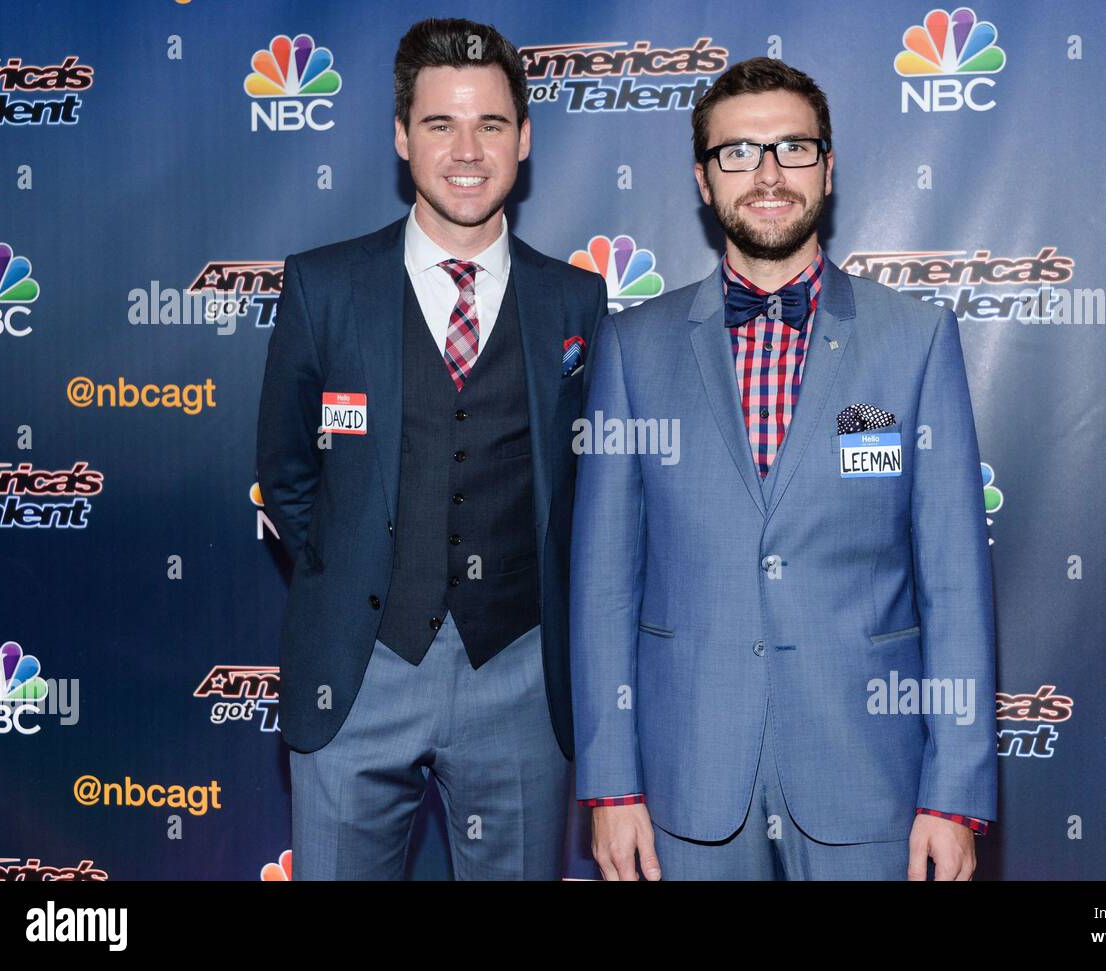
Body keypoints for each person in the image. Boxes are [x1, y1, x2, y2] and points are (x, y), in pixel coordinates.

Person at [570, 57, 996, 880]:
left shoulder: (916, 340)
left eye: (792, 148)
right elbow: (603, 586)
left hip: (868, 776)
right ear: (703, 180)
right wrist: (611, 785)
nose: (767, 174)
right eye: (739, 153)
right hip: (683, 782)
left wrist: (952, 794)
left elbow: (954, 584)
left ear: (828, 168)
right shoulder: (633, 348)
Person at [256, 17, 607, 880]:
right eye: (440, 123)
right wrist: (357, 580)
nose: (467, 149)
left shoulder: (577, 301)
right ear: (401, 136)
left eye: (490, 123)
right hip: (358, 670)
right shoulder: (323, 286)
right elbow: (286, 475)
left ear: (523, 140)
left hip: (521, 676)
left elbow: (588, 487)